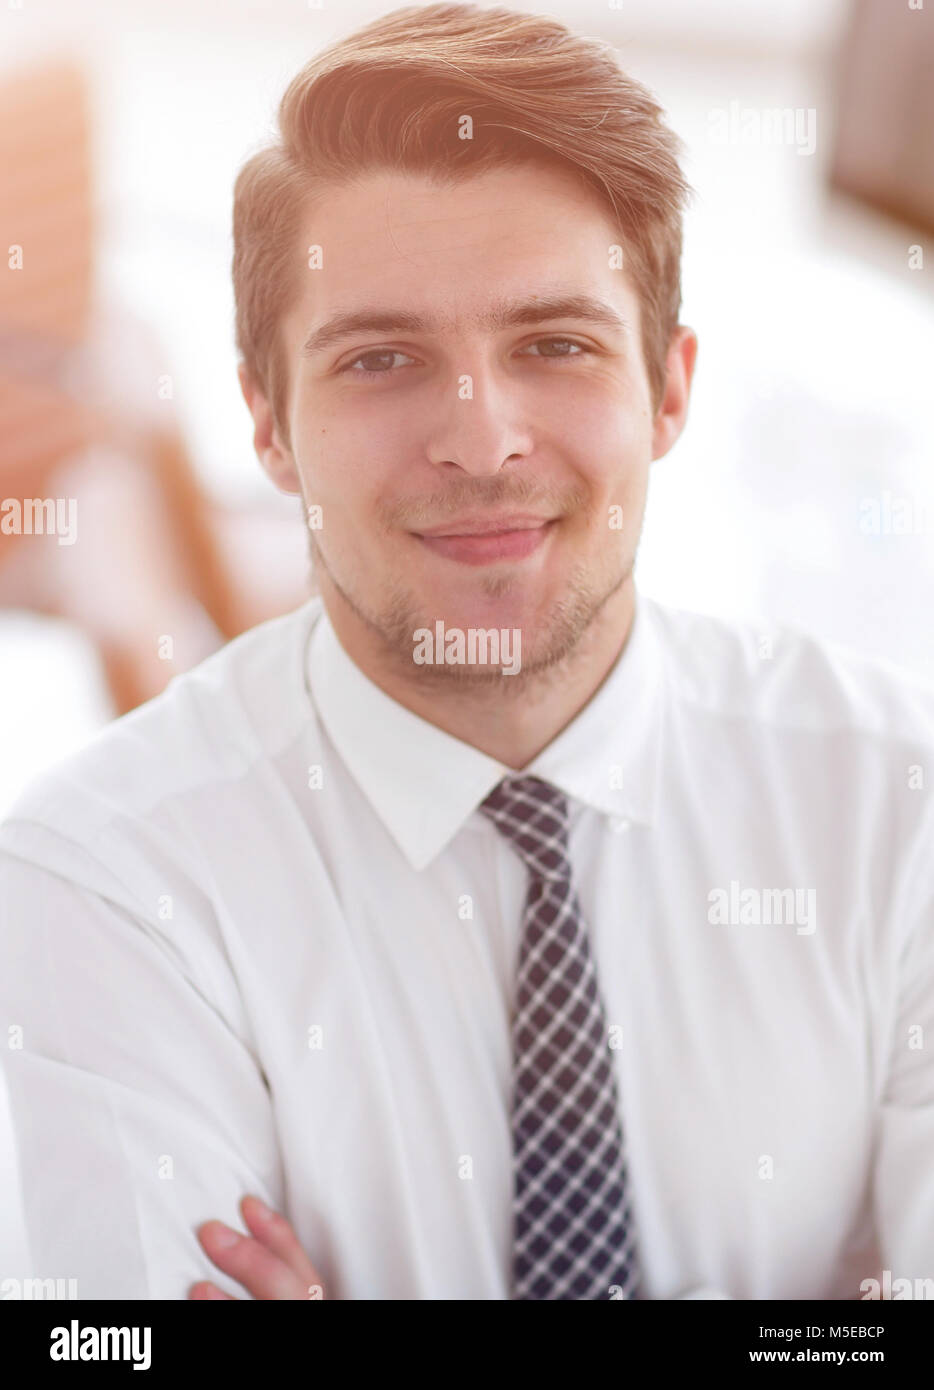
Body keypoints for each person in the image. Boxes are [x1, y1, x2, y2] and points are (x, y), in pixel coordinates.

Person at [2, 2, 933, 1302]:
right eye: (382, 359)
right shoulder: (105, 877)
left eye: (553, 344)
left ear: (669, 388)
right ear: (266, 423)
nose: (481, 438)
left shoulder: (896, 805)